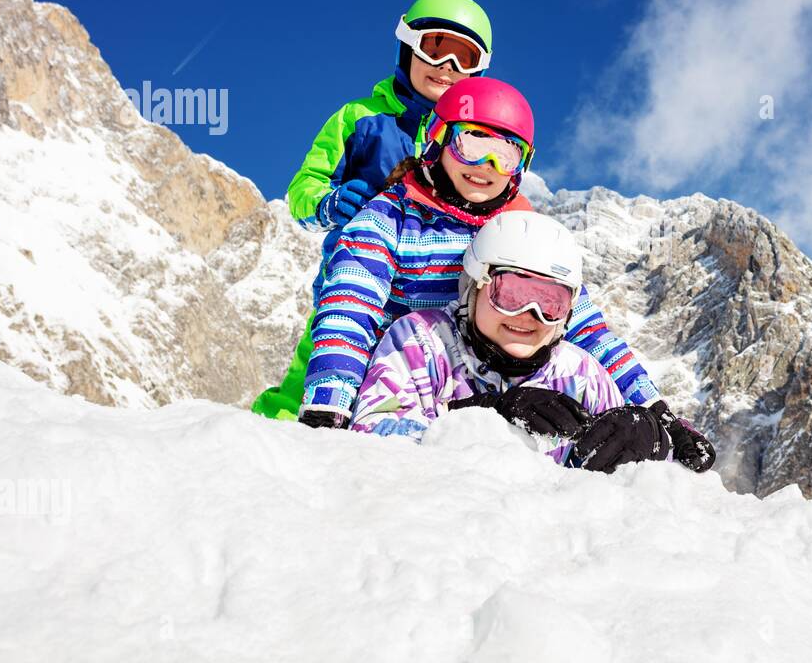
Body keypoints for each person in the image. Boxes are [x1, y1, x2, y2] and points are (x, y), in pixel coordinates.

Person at [297, 77, 715, 472]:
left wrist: (661, 417)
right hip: (407, 378)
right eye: (471, 144)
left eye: (506, 154)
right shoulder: (388, 218)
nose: (486, 165)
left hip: (501, 376)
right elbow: (350, 309)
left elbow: (588, 329)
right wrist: (329, 409)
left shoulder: (519, 231)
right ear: (439, 138)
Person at [251, 0, 494, 420]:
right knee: (324, 369)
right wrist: (328, 205)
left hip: (434, 299)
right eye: (436, 48)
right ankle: (276, 434)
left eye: (464, 58)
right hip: (357, 284)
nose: (447, 68)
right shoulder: (359, 119)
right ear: (408, 44)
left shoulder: (473, 142)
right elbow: (303, 187)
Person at [352, 212, 676, 474]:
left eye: (551, 303)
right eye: (511, 294)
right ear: (474, 286)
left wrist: (650, 445)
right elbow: (371, 442)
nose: (529, 315)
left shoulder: (579, 374)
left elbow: (642, 495)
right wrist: (483, 415)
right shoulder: (422, 342)